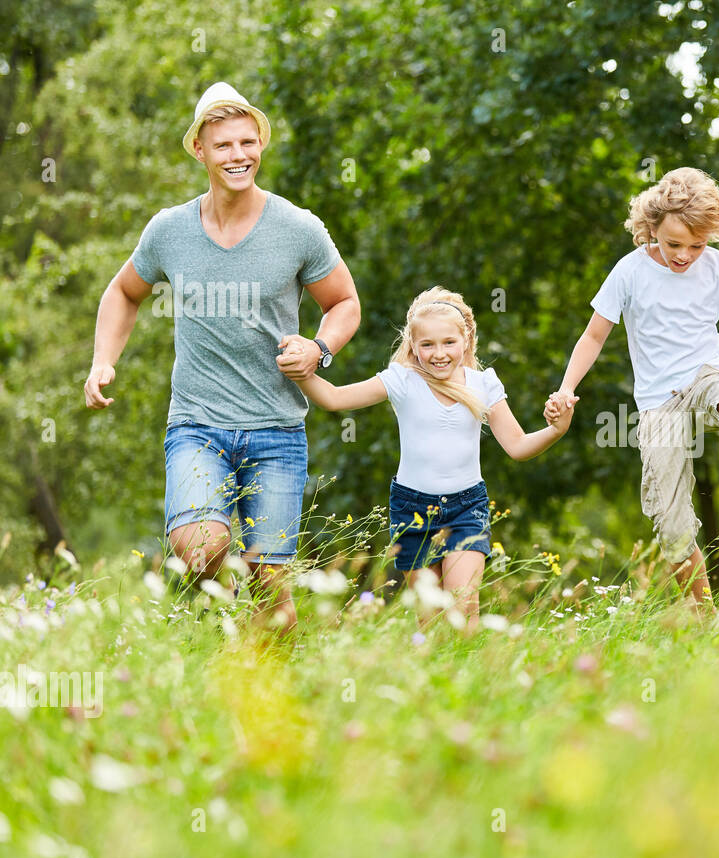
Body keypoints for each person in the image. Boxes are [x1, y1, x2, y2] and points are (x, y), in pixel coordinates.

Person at [82, 81, 361, 633]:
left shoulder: (298, 229)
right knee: (200, 545)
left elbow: (345, 303)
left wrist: (319, 348)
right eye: (224, 145)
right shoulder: (169, 231)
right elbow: (123, 293)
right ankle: (223, 614)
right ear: (200, 151)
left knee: (272, 590)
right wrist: (101, 360)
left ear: (260, 144)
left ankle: (263, 691)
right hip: (197, 424)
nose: (239, 156)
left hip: (277, 429)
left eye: (247, 142)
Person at [546, 167, 719, 606]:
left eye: (697, 245)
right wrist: (565, 388)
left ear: (712, 237)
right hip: (658, 403)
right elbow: (593, 336)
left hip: (706, 369)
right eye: (674, 245)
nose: (685, 256)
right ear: (651, 229)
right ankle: (703, 615)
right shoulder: (628, 272)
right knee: (670, 521)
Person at [293, 287, 573, 630]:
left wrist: (555, 431)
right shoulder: (402, 380)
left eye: (448, 343)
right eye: (427, 345)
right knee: (430, 619)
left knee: (462, 611)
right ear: (413, 346)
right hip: (412, 509)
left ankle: (474, 680)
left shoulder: (483, 383)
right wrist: (301, 371)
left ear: (466, 340)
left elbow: (517, 446)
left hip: (467, 508)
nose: (438, 354)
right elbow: (335, 398)